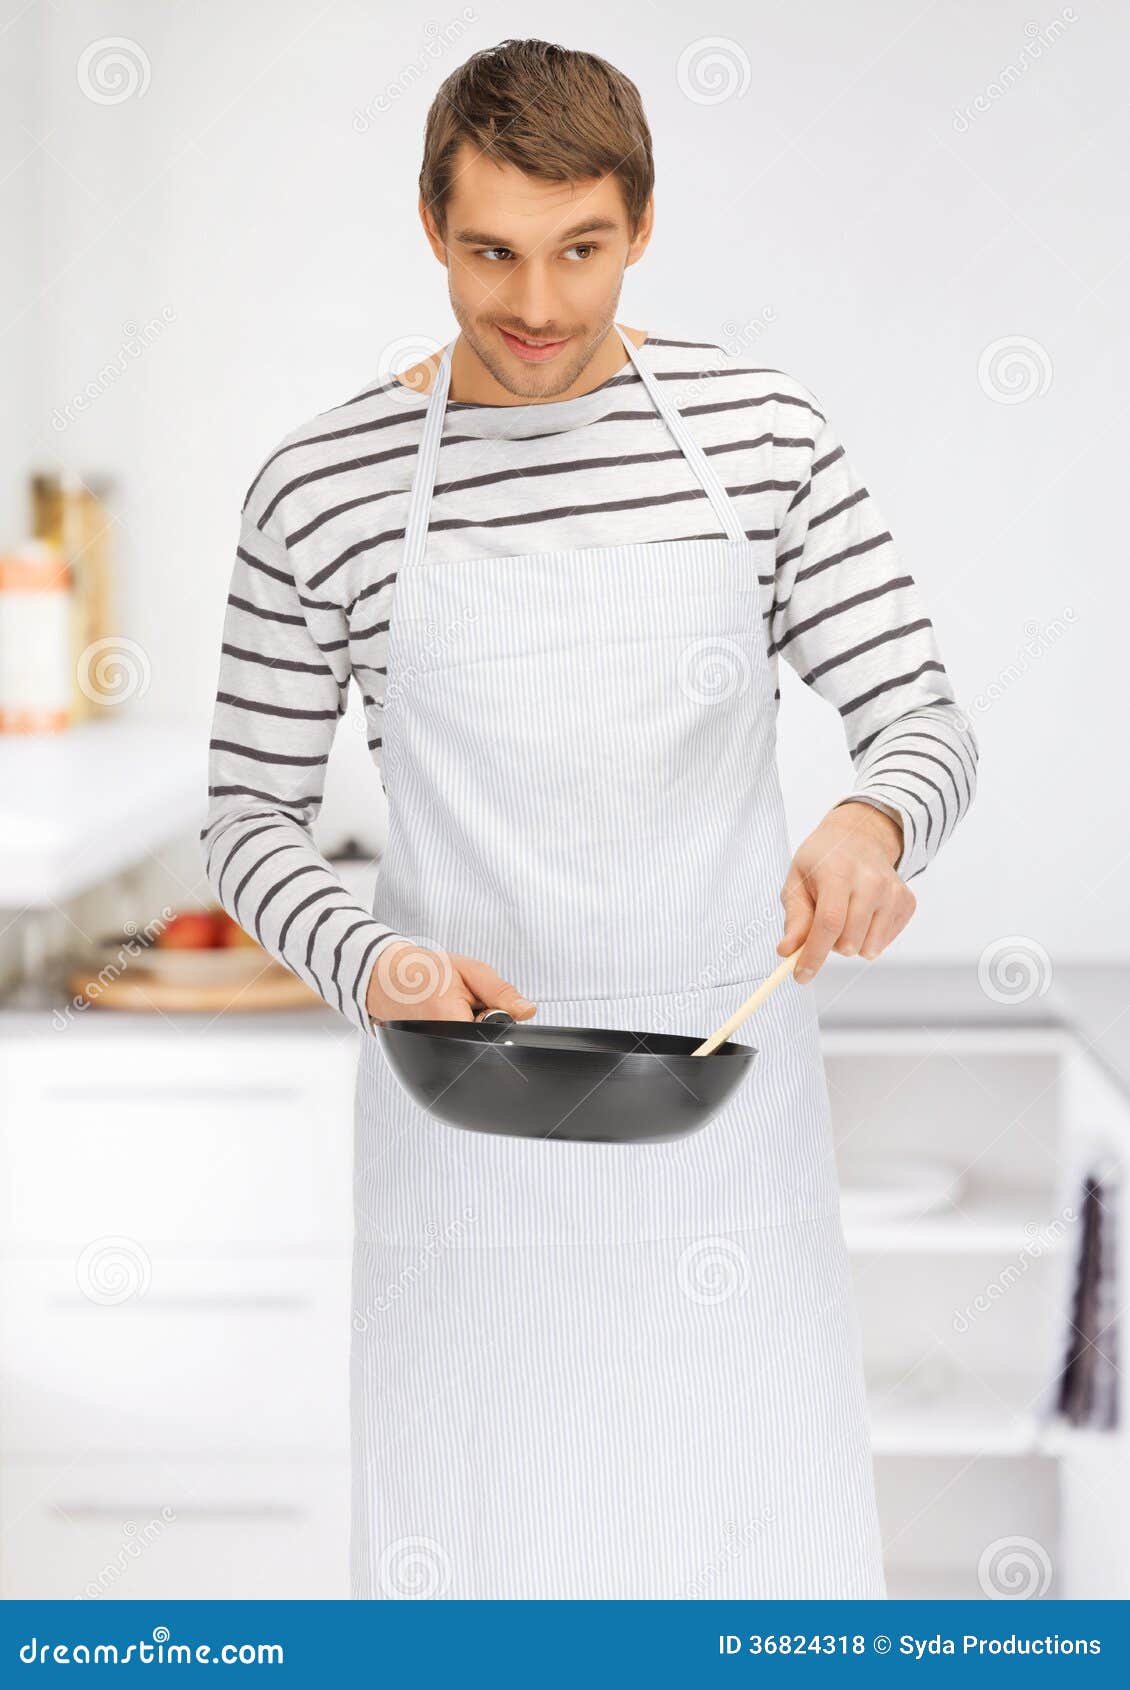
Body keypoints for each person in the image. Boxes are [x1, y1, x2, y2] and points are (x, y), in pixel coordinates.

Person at [203, 38, 977, 1599]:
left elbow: (921, 720)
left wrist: (872, 824)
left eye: (581, 251)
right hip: (463, 1122)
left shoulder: (761, 437)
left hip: (721, 1125)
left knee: (742, 1560)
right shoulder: (320, 485)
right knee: (484, 1571)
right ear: (429, 223)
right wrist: (372, 962)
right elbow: (244, 817)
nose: (538, 307)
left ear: (640, 226)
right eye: (491, 252)